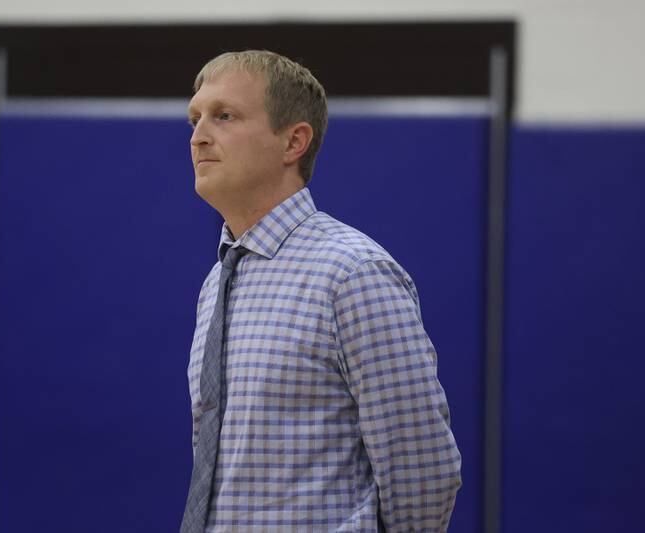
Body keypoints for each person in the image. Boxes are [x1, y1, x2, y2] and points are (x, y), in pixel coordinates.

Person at [181, 50, 461, 532]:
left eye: (224, 116)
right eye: (195, 118)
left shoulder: (352, 273)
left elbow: (423, 473)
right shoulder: (218, 281)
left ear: (294, 141)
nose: (198, 136)